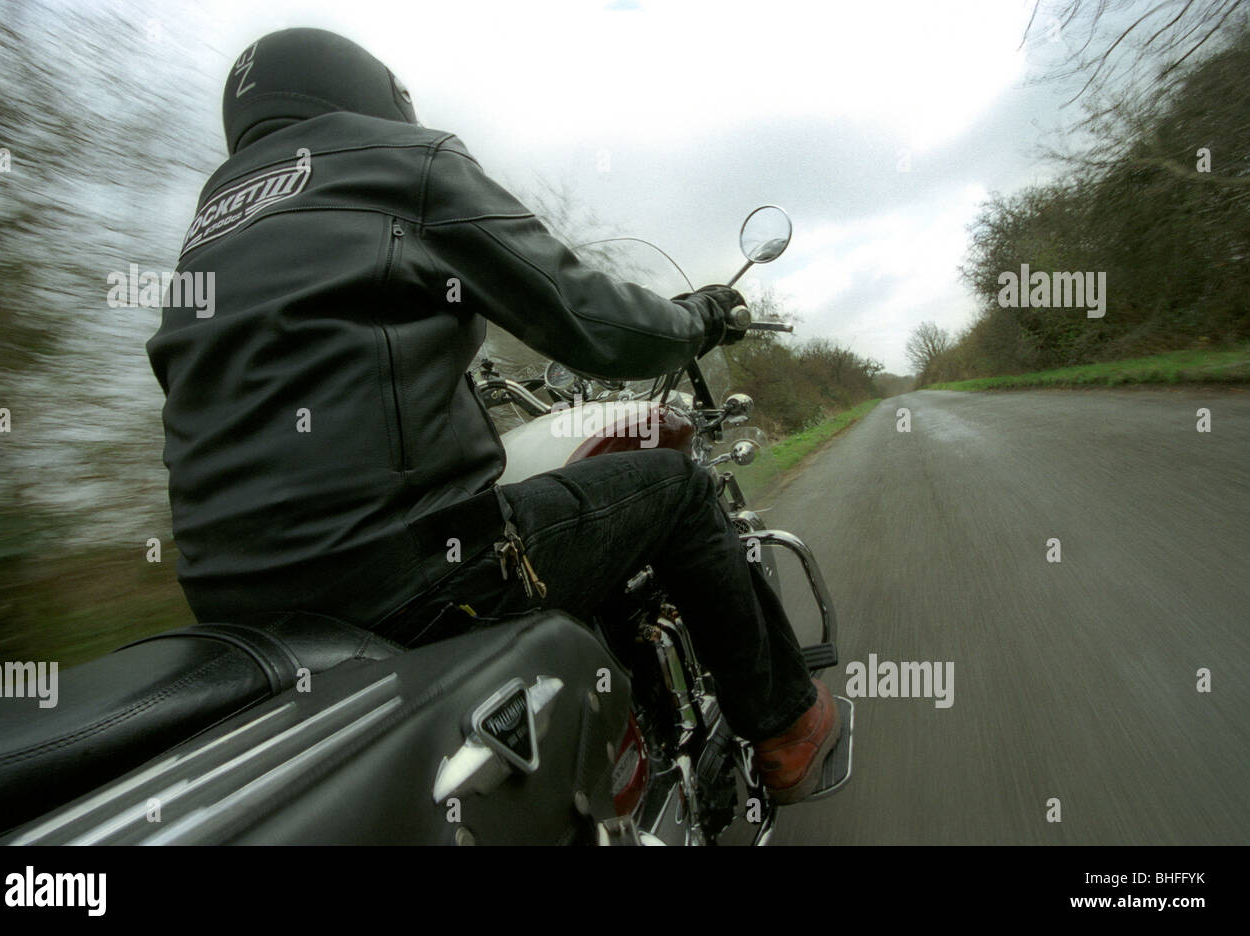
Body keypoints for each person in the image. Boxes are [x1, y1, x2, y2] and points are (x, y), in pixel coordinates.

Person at [146, 27, 838, 803]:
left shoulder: (208, 233)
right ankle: (786, 729)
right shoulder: (401, 159)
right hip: (409, 571)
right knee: (678, 490)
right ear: (370, 92)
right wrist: (701, 317)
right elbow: (590, 317)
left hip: (238, 612)